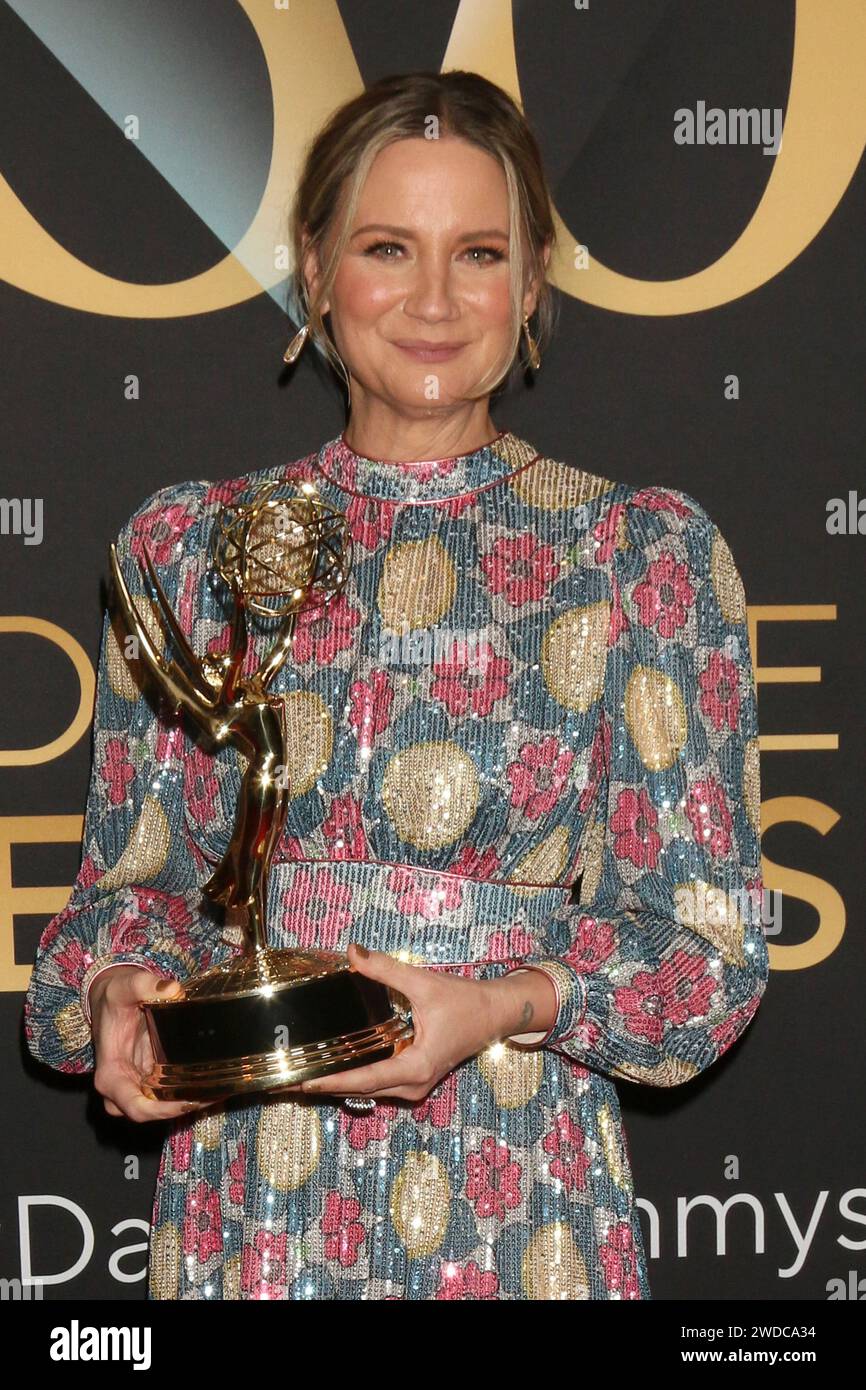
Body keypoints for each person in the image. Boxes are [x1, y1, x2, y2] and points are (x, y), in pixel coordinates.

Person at [24, 70, 769, 1301]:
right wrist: (117, 997)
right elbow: (130, 894)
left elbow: (708, 950)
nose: (434, 300)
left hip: (515, 1179)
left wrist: (501, 1004)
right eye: (387, 248)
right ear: (315, 271)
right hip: (249, 1191)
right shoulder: (189, 550)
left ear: (530, 284)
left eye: (478, 252)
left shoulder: (639, 557)